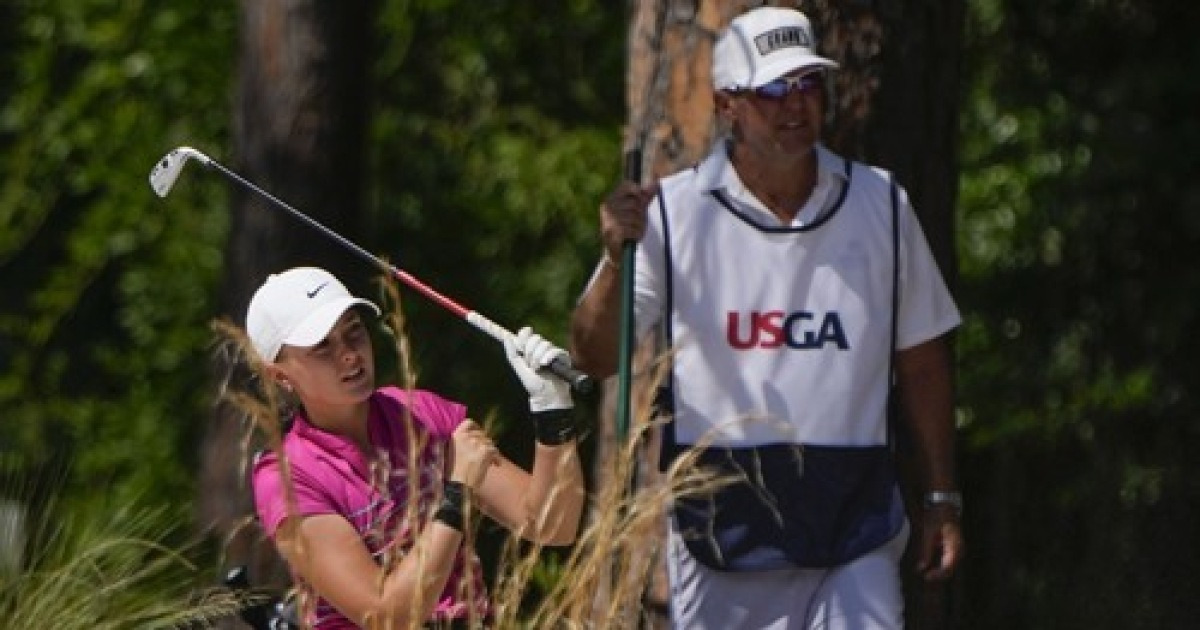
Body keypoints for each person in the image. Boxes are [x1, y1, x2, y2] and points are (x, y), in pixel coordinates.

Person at [570, 6, 963, 629]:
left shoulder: (882, 204)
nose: (795, 105)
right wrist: (617, 259)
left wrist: (941, 496)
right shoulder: (670, 213)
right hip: (724, 528)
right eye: (773, 90)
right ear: (727, 105)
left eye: (808, 84)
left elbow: (922, 361)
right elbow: (593, 356)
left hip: (854, 524)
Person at [244, 266, 585, 629]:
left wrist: (552, 410)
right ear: (279, 375)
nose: (349, 355)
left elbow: (553, 526)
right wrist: (456, 494)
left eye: (354, 330)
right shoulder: (285, 477)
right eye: (322, 347)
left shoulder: (418, 413)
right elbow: (386, 616)